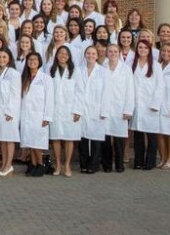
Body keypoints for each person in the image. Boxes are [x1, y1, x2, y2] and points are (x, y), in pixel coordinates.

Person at [73, 45, 107, 174]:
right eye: (88, 53)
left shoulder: (103, 72)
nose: (90, 56)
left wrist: (104, 111)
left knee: (96, 139)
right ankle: (84, 164)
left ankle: (93, 165)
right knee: (82, 139)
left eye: (93, 54)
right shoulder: (78, 70)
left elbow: (106, 92)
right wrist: (76, 110)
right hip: (81, 108)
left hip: (96, 109)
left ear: (97, 56)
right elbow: (75, 91)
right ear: (85, 55)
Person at [131, 39, 164, 170]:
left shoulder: (155, 65)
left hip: (150, 105)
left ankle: (150, 162)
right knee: (138, 136)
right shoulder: (132, 65)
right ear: (137, 49)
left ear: (149, 50)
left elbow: (159, 87)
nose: (142, 50)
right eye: (140, 47)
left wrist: (155, 104)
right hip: (136, 105)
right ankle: (138, 162)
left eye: (145, 48)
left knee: (151, 136)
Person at [101, 43, 135, 173]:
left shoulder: (126, 69)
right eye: (110, 51)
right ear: (106, 53)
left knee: (119, 139)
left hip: (120, 107)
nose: (113, 54)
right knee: (105, 138)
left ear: (119, 53)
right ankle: (107, 165)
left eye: (115, 51)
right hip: (104, 107)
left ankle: (119, 164)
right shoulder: (102, 68)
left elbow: (130, 90)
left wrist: (128, 109)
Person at [19, 52, 53, 177]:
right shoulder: (24, 78)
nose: (32, 61)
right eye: (30, 59)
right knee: (30, 142)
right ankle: (33, 164)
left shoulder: (45, 78)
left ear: (39, 62)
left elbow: (49, 99)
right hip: (26, 114)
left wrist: (47, 117)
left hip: (39, 115)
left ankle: (40, 164)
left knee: (37, 143)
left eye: (35, 59)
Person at [48, 46, 79, 177]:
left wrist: (78, 110)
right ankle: (58, 165)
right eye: (60, 53)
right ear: (56, 55)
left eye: (66, 54)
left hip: (69, 109)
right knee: (55, 137)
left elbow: (79, 92)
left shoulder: (75, 71)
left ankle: (67, 165)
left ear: (69, 56)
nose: (63, 55)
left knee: (69, 137)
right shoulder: (51, 70)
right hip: (54, 109)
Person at [0, 48, 20, 177]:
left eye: (4, 57)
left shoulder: (14, 73)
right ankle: (3, 164)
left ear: (9, 58)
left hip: (9, 112)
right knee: (2, 139)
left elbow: (15, 94)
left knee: (9, 139)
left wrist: (11, 112)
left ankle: (9, 165)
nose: (1, 59)